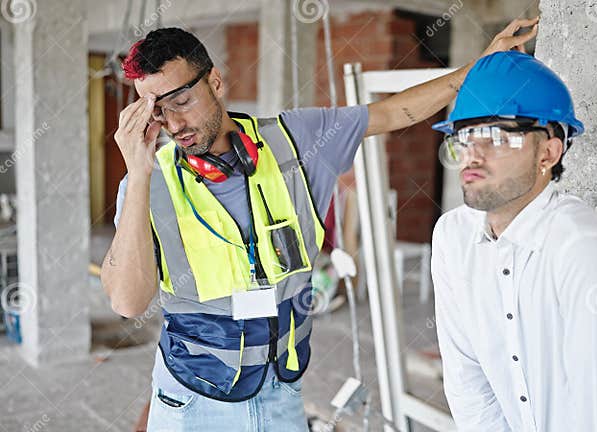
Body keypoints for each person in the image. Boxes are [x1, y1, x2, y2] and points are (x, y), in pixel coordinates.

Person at [101, 20, 538, 431]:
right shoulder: (148, 184)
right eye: (158, 112)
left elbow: (394, 113)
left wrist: (481, 67)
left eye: (182, 102)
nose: (175, 124)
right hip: (193, 400)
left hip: (281, 392)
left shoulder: (298, 141)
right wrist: (138, 174)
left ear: (215, 82)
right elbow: (127, 302)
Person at [430, 51, 597, 431]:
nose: (472, 156)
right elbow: (468, 382)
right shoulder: (453, 237)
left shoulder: (584, 251)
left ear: (548, 152)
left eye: (496, 137)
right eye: (465, 136)